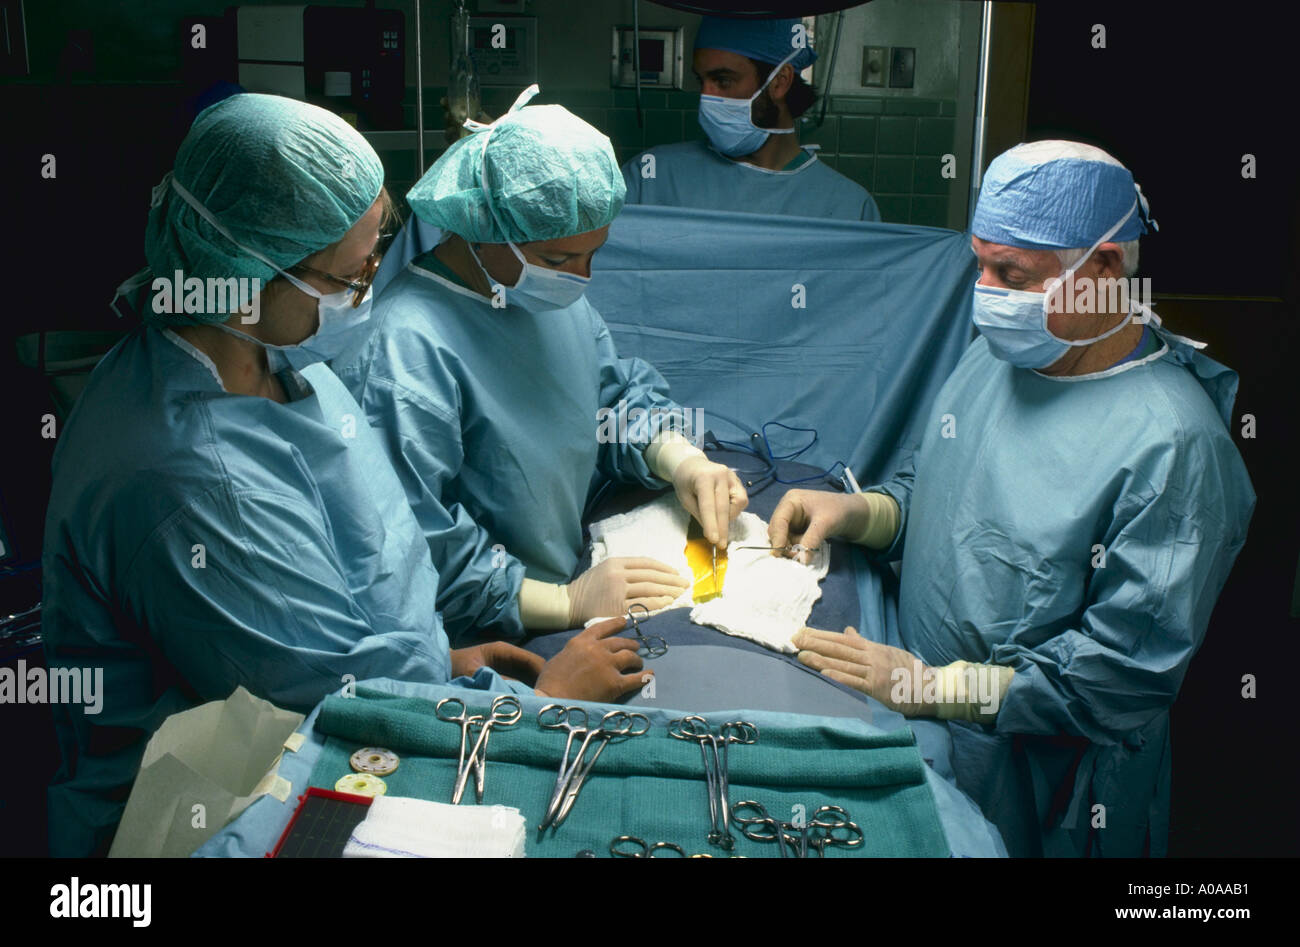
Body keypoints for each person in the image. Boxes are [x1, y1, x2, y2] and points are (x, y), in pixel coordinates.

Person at [42, 93, 648, 858]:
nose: (370, 288)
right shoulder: (191, 480)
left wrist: (444, 663)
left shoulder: (272, 351)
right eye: (350, 274)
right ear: (245, 271)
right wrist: (537, 706)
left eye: (375, 253)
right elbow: (330, 702)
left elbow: (368, 566)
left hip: (389, 698)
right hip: (222, 806)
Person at [768, 140, 1255, 856]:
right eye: (980, 264)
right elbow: (941, 493)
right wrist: (867, 513)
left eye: (1013, 274)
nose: (986, 293)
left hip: (1042, 778)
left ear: (1104, 270)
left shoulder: (1174, 448)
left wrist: (938, 689)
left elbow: (1118, 678)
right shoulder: (1003, 353)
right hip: (923, 721)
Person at [335, 88, 747, 644]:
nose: (582, 279)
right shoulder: (404, 349)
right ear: (486, 227)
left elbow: (608, 399)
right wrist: (559, 602)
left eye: (593, 255)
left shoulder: (546, 299)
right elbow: (411, 535)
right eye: (559, 260)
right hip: (484, 638)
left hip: (576, 582)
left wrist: (682, 460)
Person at [622, 16, 880, 221]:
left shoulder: (848, 207)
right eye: (701, 81)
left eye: (723, 80)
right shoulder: (651, 180)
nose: (706, 97)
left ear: (780, 82)